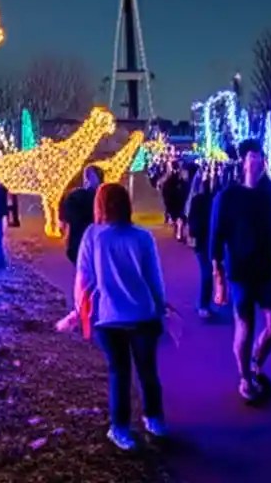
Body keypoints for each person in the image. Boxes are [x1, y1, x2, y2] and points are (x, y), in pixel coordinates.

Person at [73, 183, 169, 451]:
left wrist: (79, 312)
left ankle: (121, 429)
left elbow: (84, 278)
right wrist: (161, 307)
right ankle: (155, 420)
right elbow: (154, 278)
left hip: (109, 317)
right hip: (143, 315)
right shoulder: (142, 237)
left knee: (120, 373)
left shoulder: (93, 235)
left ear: (100, 205)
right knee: (148, 370)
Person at [210, 139, 271, 403]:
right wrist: (219, 278)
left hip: (268, 270)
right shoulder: (228, 196)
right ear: (244, 162)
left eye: (260, 156)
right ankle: (245, 377)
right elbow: (216, 236)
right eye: (252, 156)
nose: (257, 160)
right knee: (244, 327)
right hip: (241, 272)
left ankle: (257, 361)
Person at [186, 166, 218, 319]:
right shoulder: (203, 200)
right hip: (204, 240)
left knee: (211, 272)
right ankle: (203, 304)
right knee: (207, 273)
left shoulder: (213, 199)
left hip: (207, 240)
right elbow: (193, 221)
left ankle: (206, 303)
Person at [60, 166, 102, 264]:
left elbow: (67, 221)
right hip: (96, 244)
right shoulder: (105, 197)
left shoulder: (74, 197)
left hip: (78, 244)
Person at [162, 162, 189, 241]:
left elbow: (166, 191)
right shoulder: (177, 179)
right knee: (178, 216)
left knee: (178, 216)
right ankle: (178, 232)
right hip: (176, 200)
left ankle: (178, 232)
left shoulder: (172, 179)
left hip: (175, 200)